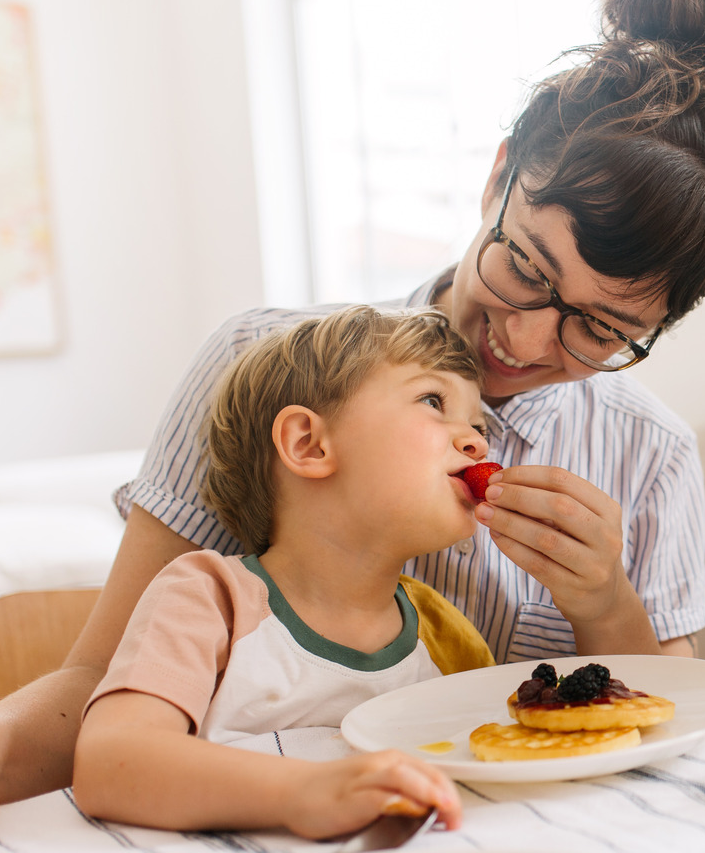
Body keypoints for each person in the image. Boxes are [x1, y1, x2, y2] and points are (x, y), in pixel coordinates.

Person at [0, 0, 705, 804]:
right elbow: (100, 689)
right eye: (525, 266)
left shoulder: (649, 452)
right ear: (496, 178)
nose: (523, 337)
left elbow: (668, 725)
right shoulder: (263, 363)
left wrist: (604, 600)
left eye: (602, 329)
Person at [73, 305, 491, 836]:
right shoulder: (208, 599)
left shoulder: (444, 630)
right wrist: (305, 792)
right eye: (433, 401)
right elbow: (110, 764)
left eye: (478, 425)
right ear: (308, 444)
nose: (477, 441)